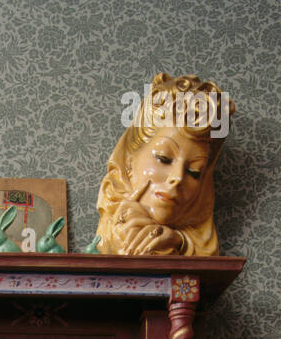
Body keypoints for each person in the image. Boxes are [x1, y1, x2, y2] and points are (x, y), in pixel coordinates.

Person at [95, 72, 234, 257]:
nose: (177, 178)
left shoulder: (193, 242)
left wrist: (180, 241)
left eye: (194, 172)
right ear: (129, 159)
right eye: (163, 158)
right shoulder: (111, 231)